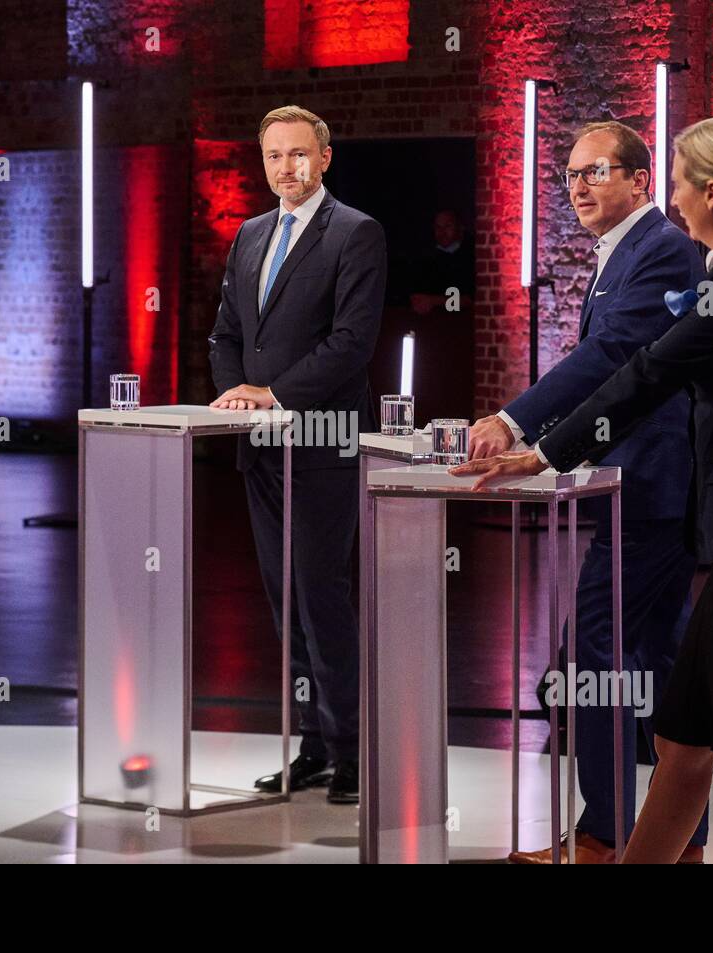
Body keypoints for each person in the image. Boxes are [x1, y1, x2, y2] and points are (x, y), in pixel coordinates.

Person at [454, 115, 713, 864]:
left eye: (674, 183)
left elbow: (646, 372)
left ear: (709, 190)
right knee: (682, 735)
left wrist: (542, 449)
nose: (671, 199)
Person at [470, 121, 707, 864]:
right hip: (639, 486)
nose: (577, 186)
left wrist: (517, 424)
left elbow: (610, 356)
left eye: (595, 171)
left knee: (591, 658)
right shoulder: (624, 253)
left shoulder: (661, 248)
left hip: (653, 487)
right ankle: (680, 841)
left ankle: (605, 836)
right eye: (570, 174)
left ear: (640, 180)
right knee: (656, 659)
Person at [208, 105, 386, 803]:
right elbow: (226, 335)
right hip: (262, 448)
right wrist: (239, 399)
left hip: (324, 441)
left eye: (299, 154)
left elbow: (351, 343)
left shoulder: (356, 233)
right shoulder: (250, 235)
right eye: (274, 156)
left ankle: (352, 750)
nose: (287, 167)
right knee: (286, 601)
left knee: (320, 593)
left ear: (325, 157)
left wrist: (272, 392)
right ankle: (313, 743)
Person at [408, 209, 474, 315]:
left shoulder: (473, 258)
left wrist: (434, 301)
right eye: (438, 227)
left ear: (460, 228)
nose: (442, 232)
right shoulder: (426, 259)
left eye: (448, 226)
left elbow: (472, 300)